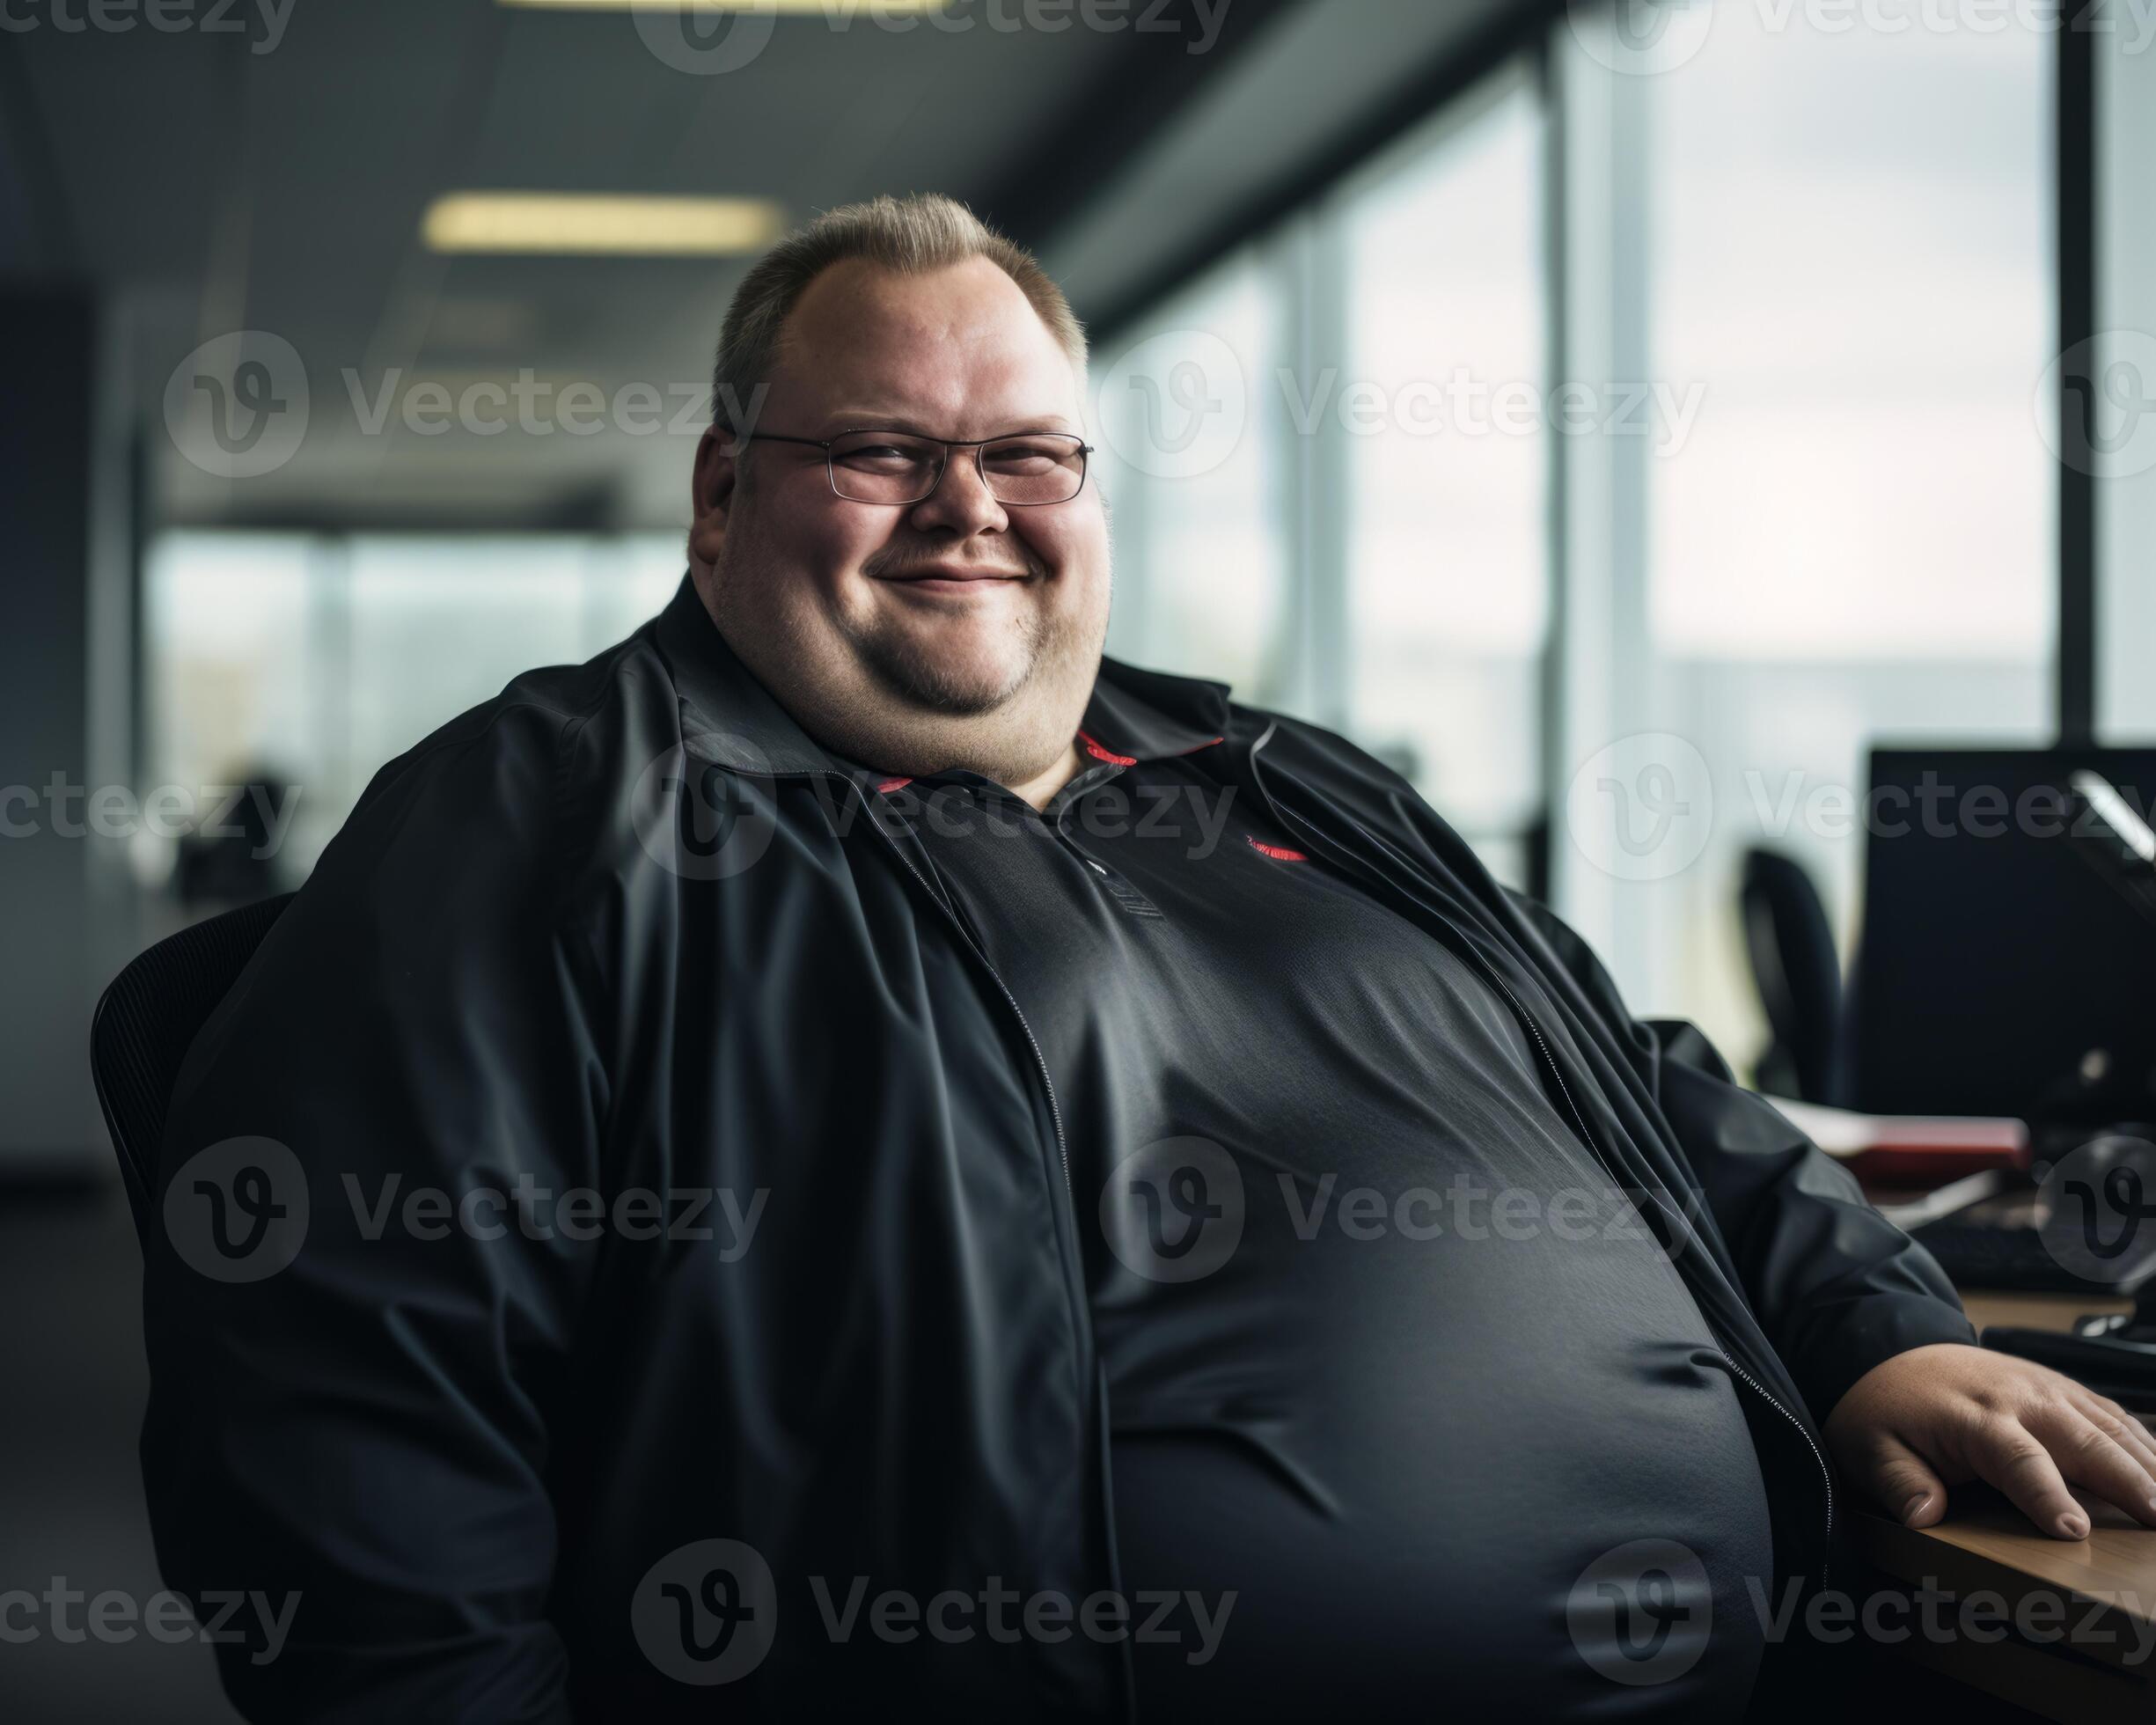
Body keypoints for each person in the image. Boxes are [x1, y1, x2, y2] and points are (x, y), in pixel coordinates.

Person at [140, 194, 2156, 1722]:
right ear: (723, 491)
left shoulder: (1291, 776)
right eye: (881, 449)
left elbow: (1638, 1080)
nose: (969, 510)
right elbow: (350, 1417)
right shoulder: (555, 811)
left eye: (1029, 454)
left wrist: (1874, 1330)